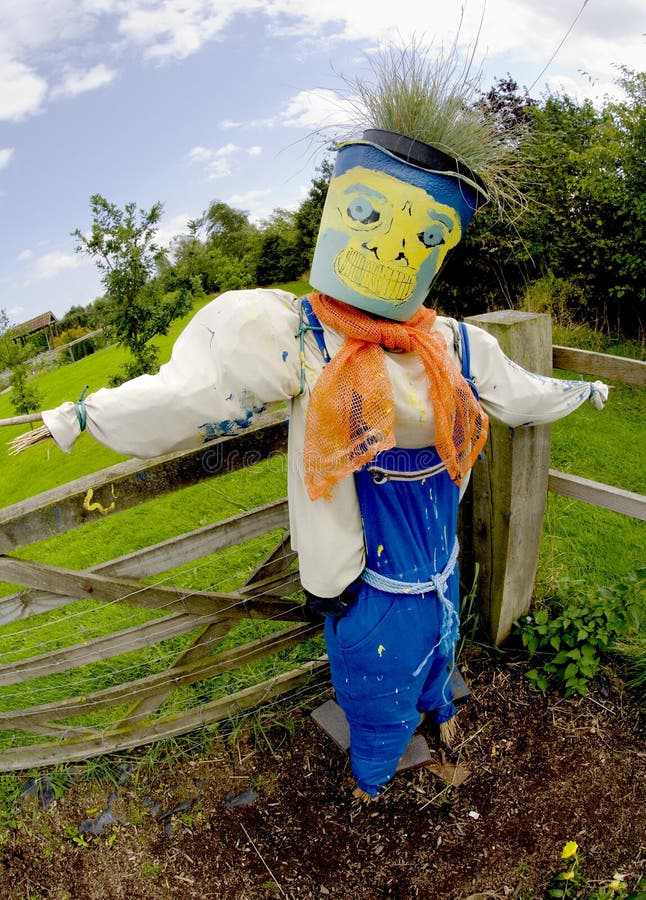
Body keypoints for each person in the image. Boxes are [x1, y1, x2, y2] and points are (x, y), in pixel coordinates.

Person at [17, 55, 608, 802]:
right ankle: (373, 791)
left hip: (440, 562)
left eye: (427, 234)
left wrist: (580, 389)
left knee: (436, 655)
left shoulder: (452, 345)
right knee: (375, 683)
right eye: (370, 215)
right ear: (339, 210)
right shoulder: (299, 339)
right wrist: (77, 415)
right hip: (366, 576)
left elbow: (517, 393)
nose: (397, 248)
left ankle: (443, 721)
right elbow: (191, 393)